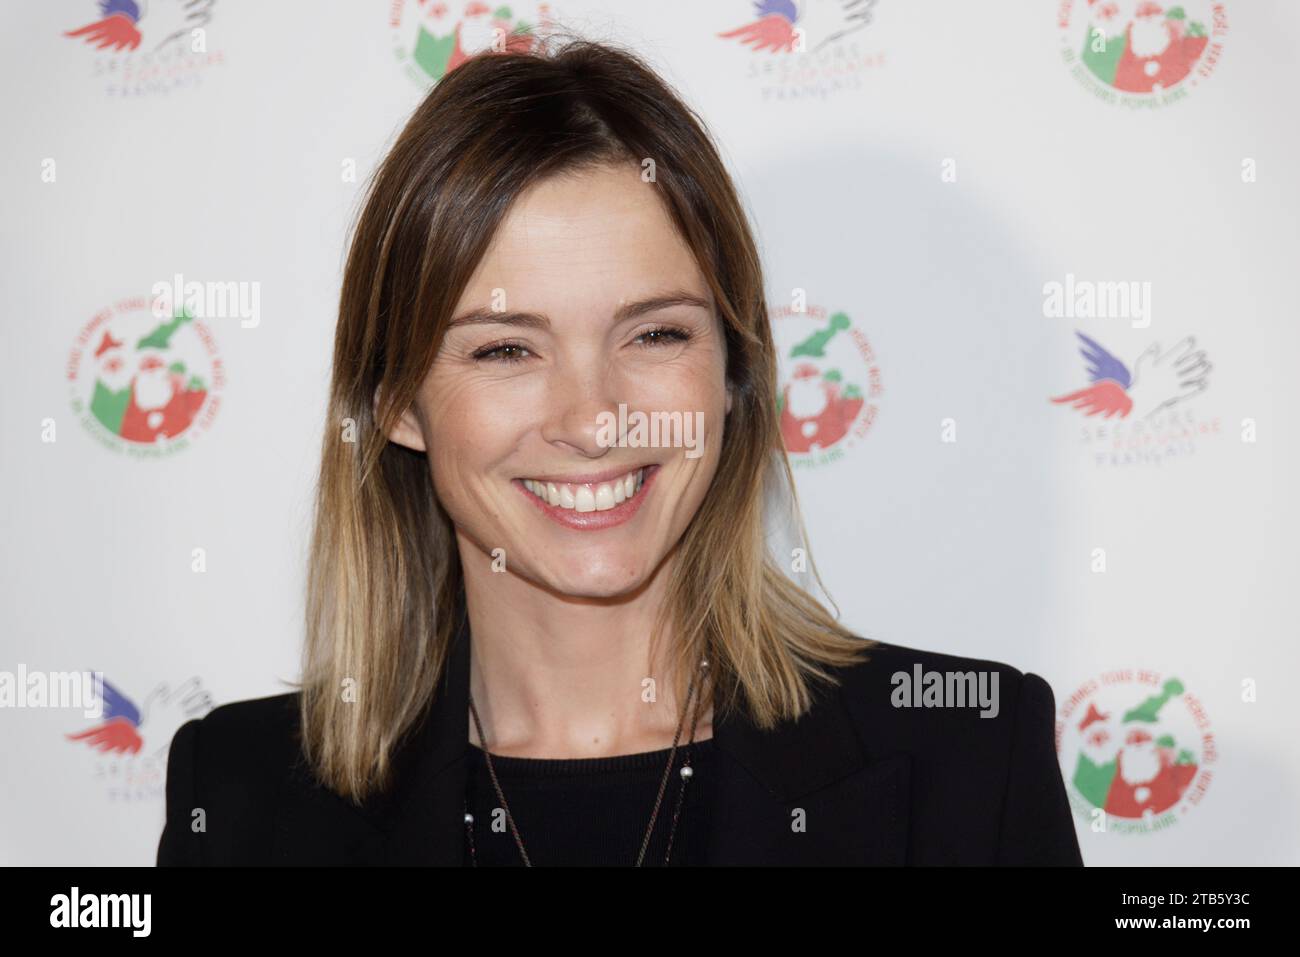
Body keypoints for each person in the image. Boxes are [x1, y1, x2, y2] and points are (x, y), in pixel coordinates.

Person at [156, 36, 1083, 867]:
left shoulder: (968, 761)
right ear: (396, 400)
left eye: (655, 336)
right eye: (506, 349)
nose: (596, 420)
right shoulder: (239, 801)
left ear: (733, 371)